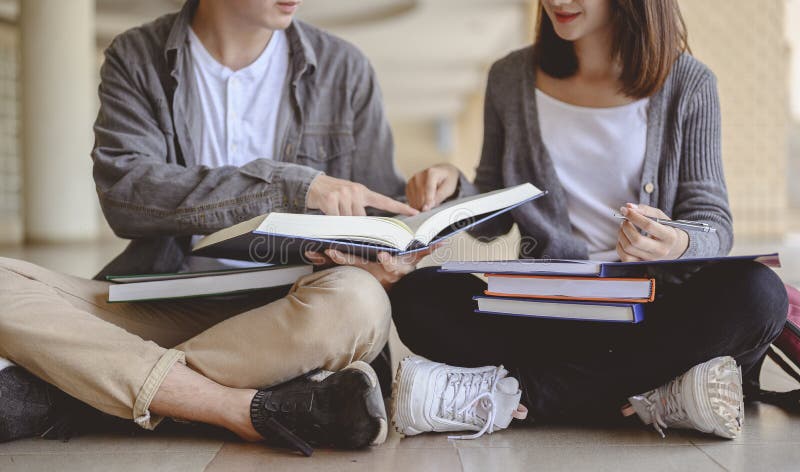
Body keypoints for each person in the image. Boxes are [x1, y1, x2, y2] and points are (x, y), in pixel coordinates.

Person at [0, 0, 425, 455]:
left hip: (293, 310)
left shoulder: (344, 68)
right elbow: (127, 196)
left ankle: (83, 390)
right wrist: (288, 188)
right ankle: (238, 406)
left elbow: (380, 214)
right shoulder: (137, 55)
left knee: (358, 303)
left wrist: (386, 252)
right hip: (162, 299)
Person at [389, 0, 789, 440]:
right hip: (546, 311)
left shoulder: (689, 82)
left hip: (652, 311)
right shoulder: (509, 78)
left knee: (759, 293)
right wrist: (456, 187)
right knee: (417, 297)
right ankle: (652, 392)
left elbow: (712, 221)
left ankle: (522, 396)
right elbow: (494, 216)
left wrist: (675, 242)